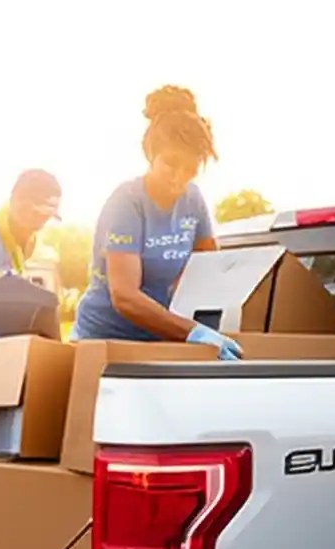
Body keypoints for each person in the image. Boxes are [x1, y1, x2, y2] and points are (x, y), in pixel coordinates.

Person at [70, 85, 243, 361]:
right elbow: (124, 296)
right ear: (151, 155)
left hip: (162, 338)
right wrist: (193, 332)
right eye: (171, 164)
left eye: (190, 168)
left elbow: (206, 268)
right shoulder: (127, 202)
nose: (178, 177)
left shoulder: (193, 199)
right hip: (106, 338)